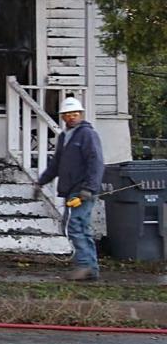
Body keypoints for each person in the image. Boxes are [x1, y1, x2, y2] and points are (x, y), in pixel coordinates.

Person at [36, 96, 104, 282]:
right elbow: (56, 164)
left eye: (74, 114)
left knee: (74, 225)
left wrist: (89, 188)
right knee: (81, 227)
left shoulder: (87, 134)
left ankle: (84, 266)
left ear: (81, 114)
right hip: (72, 189)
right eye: (67, 114)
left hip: (82, 190)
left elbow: (96, 162)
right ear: (62, 117)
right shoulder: (65, 136)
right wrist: (41, 181)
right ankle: (91, 269)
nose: (71, 117)